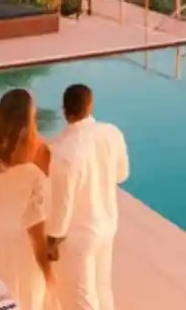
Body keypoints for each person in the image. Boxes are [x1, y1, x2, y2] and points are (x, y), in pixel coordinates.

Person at [45, 84, 130, 310]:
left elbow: (62, 203)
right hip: (107, 224)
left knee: (80, 298)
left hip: (77, 236)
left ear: (64, 110)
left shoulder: (61, 150)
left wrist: (53, 239)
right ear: (90, 105)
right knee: (102, 288)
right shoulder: (112, 133)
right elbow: (121, 174)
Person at [0, 88, 57, 310]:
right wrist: (46, 263)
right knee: (28, 296)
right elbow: (37, 215)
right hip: (21, 236)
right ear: (29, 116)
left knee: (0, 297)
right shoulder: (41, 151)